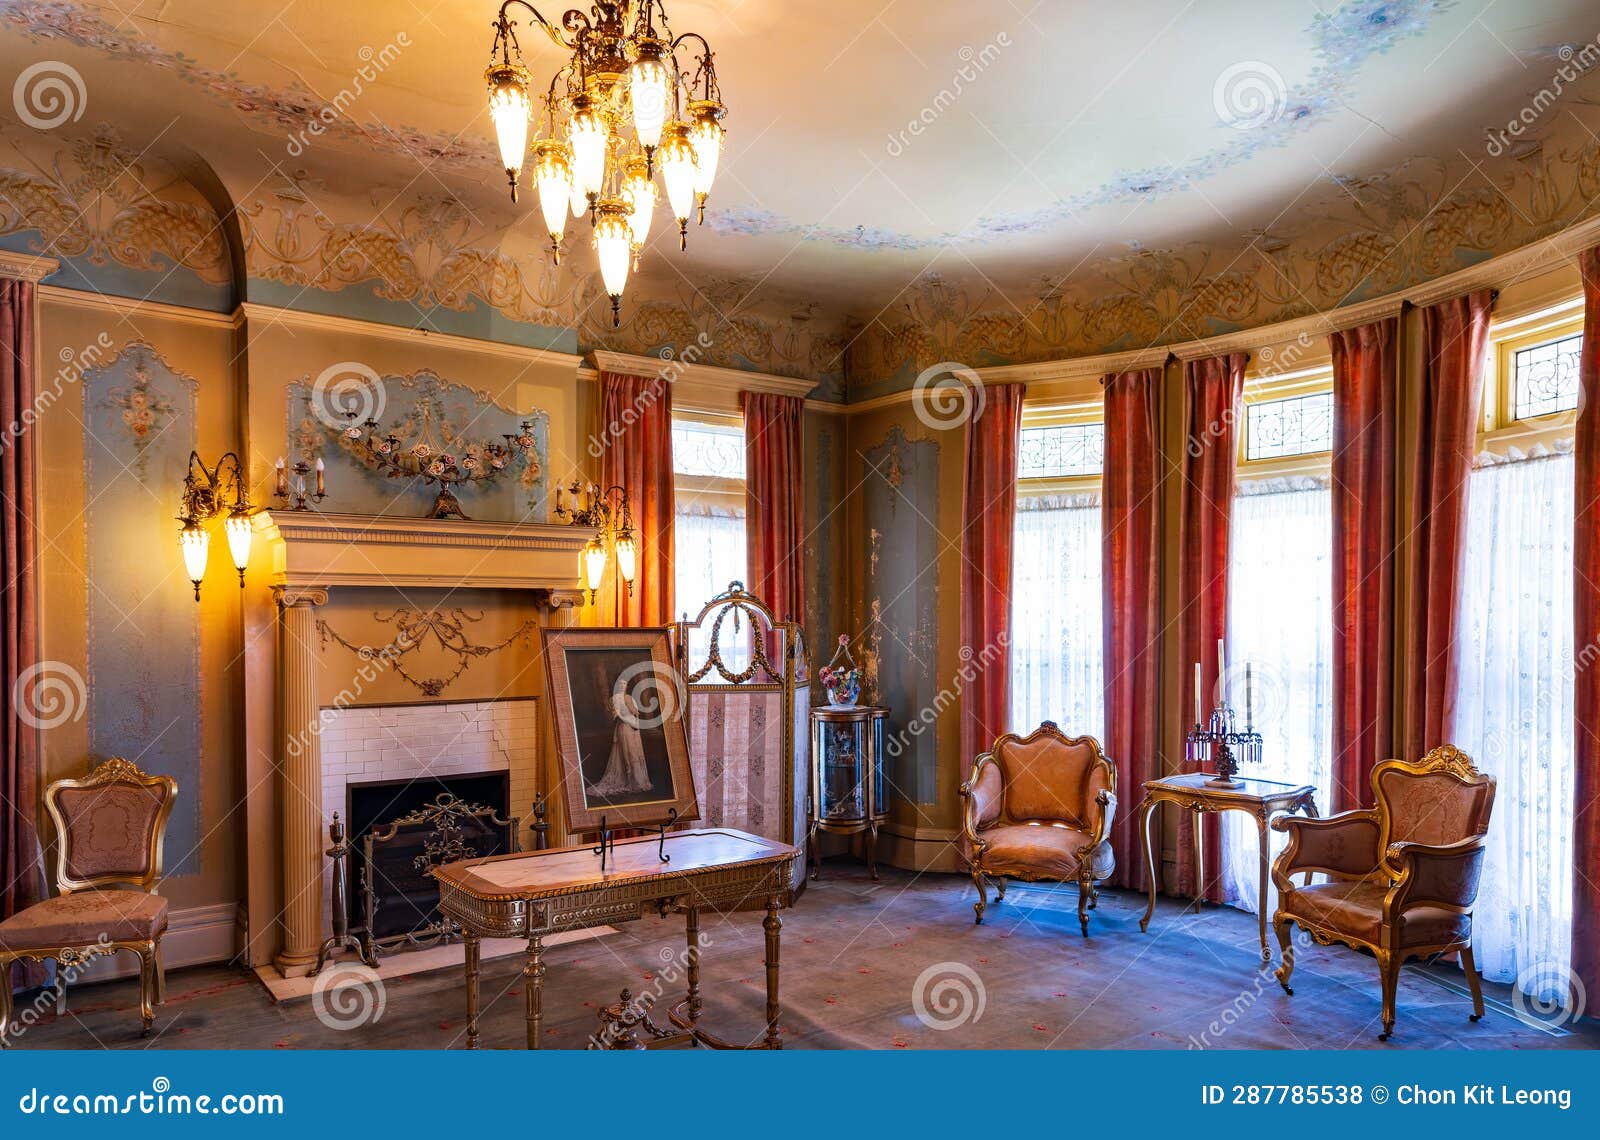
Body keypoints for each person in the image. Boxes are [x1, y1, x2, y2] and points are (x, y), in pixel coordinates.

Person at [587, 684, 650, 797]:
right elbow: (618, 716)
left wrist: (636, 723)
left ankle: (640, 781)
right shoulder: (615, 699)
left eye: (625, 684)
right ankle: (632, 782)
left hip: (634, 729)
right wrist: (630, 721)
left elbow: (636, 713)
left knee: (636, 753)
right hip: (624, 727)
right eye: (620, 684)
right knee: (629, 754)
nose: (623, 686)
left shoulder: (630, 697)